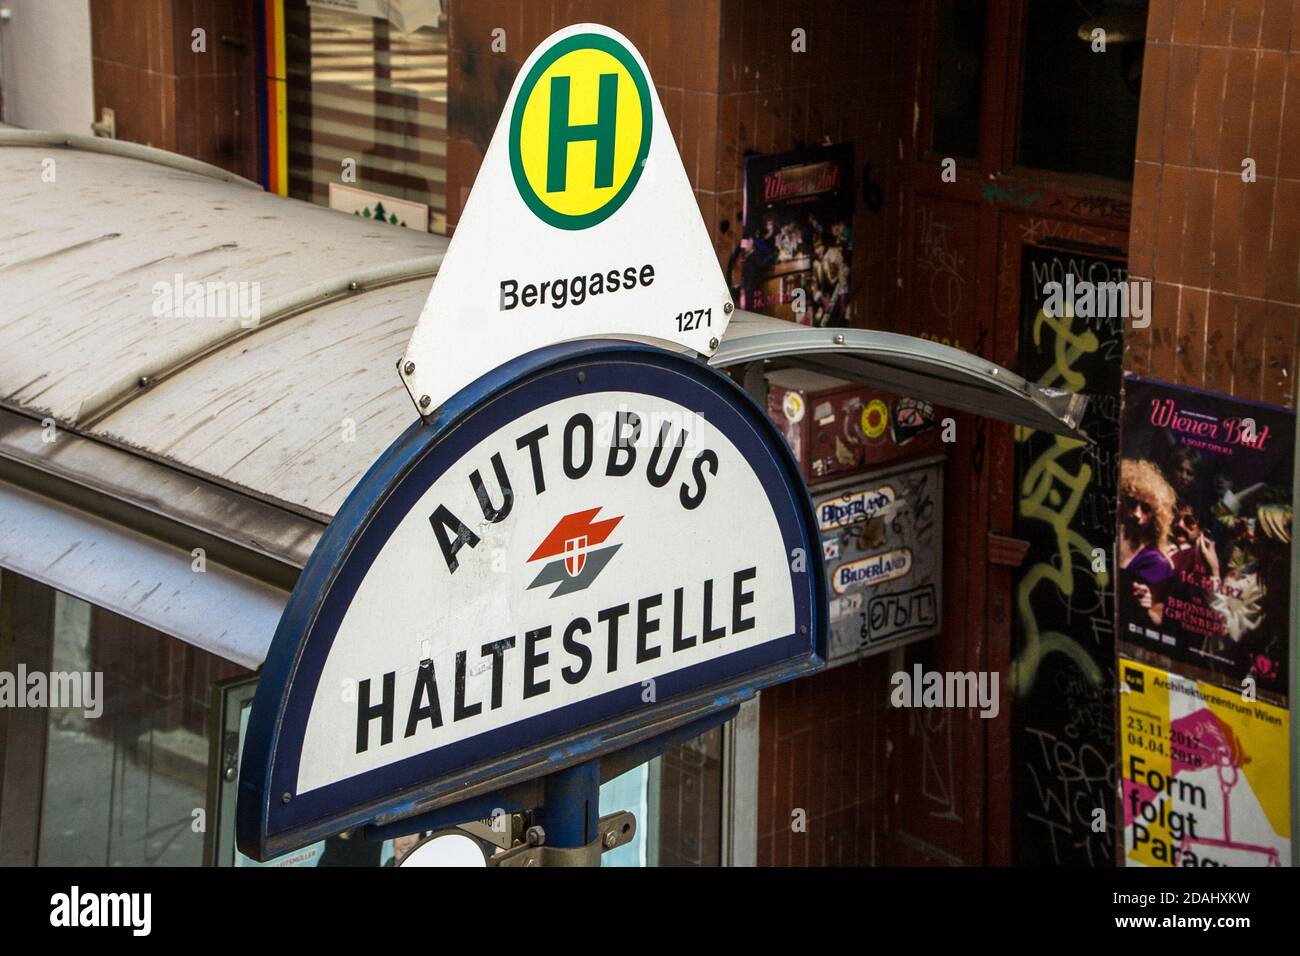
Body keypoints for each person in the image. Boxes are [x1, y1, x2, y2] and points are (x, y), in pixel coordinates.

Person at [1117, 459, 1176, 630]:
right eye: (1131, 503)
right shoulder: (1110, 534)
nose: (1136, 514)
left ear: (1156, 514)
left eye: (1145, 508)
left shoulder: (1157, 563)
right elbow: (1096, 567)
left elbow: (1158, 617)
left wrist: (1146, 604)